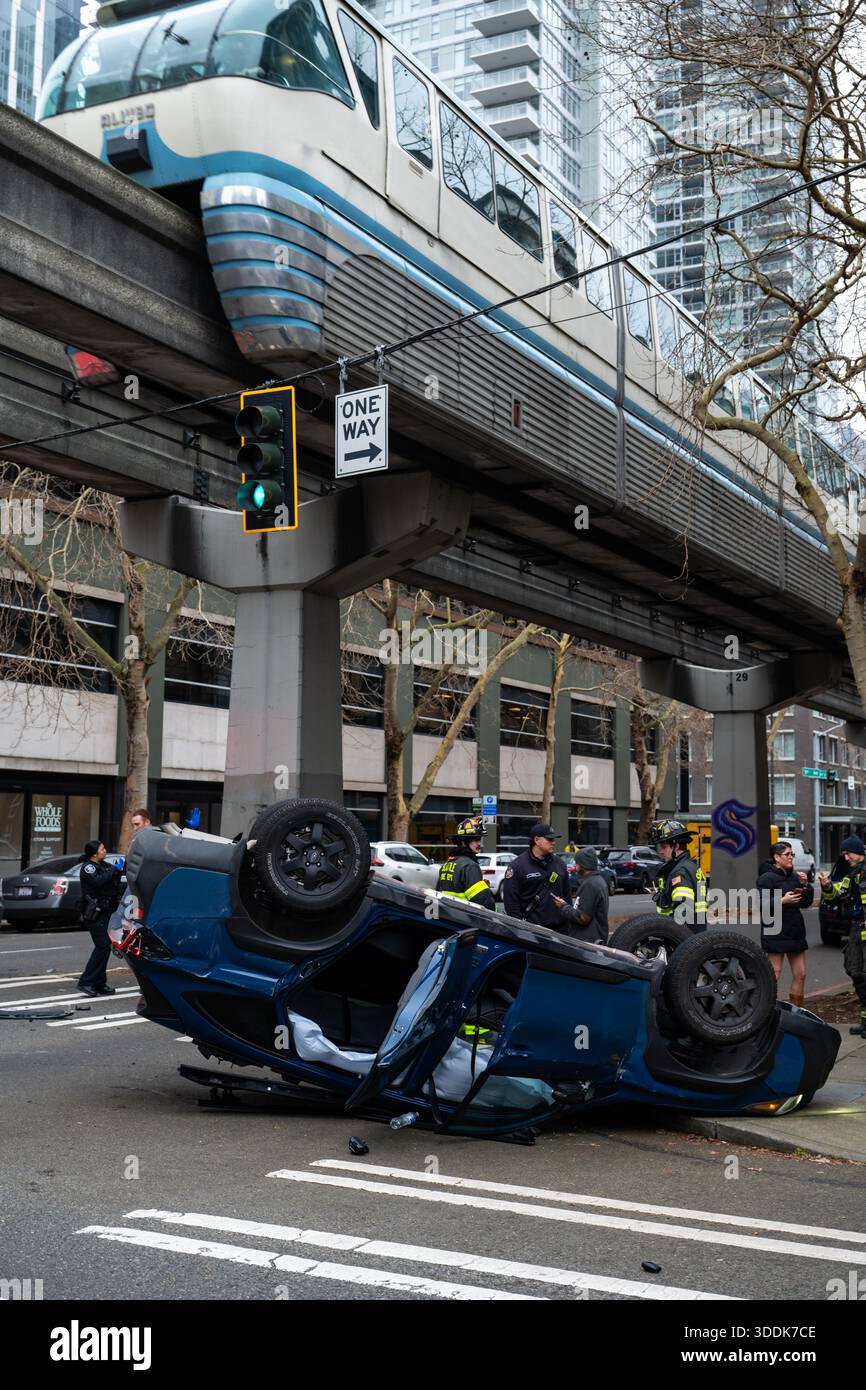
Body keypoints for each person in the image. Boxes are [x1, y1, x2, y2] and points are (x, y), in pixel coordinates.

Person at [818, 834, 866, 1037]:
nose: (846, 858)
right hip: (857, 929)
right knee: (855, 971)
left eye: (848, 853)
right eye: (844, 854)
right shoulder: (852, 873)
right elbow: (839, 894)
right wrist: (827, 885)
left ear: (858, 852)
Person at [756, 840, 812, 1006]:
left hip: (795, 930)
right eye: (787, 854)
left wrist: (806, 885)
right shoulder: (766, 879)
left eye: (791, 854)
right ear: (776, 857)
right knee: (774, 974)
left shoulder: (795, 877)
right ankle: (765, 1009)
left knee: (800, 974)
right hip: (775, 929)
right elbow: (762, 905)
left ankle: (797, 1012)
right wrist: (782, 900)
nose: (791, 858)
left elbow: (805, 903)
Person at [76, 840, 124, 997]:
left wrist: (118, 870)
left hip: (107, 911)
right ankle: (86, 981)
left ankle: (99, 983)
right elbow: (98, 881)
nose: (105, 850)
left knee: (105, 946)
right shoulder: (88, 867)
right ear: (94, 853)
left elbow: (112, 882)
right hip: (94, 912)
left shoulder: (104, 866)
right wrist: (112, 871)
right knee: (102, 945)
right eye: (102, 848)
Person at [502, 823, 571, 929]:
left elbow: (567, 897)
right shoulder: (518, 866)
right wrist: (520, 929)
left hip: (560, 931)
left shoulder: (560, 864)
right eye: (549, 839)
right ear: (537, 840)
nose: (553, 842)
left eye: (554, 839)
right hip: (532, 932)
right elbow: (511, 903)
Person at [653, 819, 707, 931]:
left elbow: (682, 911)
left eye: (664, 846)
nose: (661, 851)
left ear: (676, 846)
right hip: (695, 934)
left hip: (683, 936)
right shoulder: (691, 866)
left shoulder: (680, 872)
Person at [107, 808, 152, 938]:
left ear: (147, 822)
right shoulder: (138, 841)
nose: (135, 828)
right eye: (133, 825)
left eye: (137, 824)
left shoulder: (156, 838)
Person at [436, 815, 497, 911]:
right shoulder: (470, 866)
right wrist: (496, 915)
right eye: (476, 840)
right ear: (464, 842)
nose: (479, 844)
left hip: (450, 917)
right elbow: (482, 900)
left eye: (479, 840)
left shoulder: (447, 864)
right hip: (467, 918)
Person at [568, 848, 609, 943]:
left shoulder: (590, 884)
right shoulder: (597, 880)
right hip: (593, 938)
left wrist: (563, 907)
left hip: (588, 942)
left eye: (577, 862)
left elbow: (583, 918)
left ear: (583, 865)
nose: (575, 865)